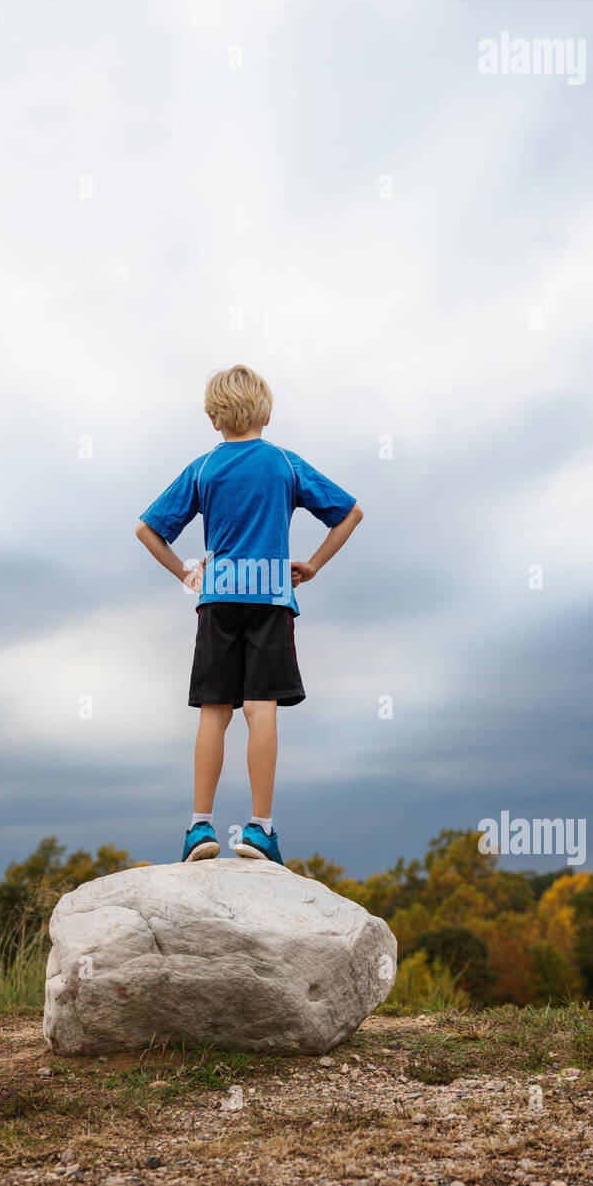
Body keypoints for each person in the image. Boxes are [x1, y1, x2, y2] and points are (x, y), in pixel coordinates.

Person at [135, 365, 363, 865]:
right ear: (267, 410)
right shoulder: (284, 463)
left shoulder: (203, 468)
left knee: (214, 713)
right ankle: (260, 829)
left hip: (217, 600)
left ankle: (199, 828)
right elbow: (350, 513)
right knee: (262, 710)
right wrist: (315, 564)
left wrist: (185, 573)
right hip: (271, 599)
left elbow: (148, 529)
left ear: (213, 417)